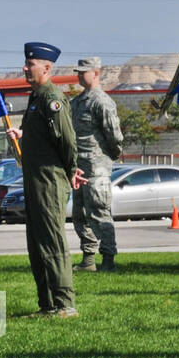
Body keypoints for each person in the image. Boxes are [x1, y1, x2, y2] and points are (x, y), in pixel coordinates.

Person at [6, 42, 86, 317]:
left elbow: (66, 139)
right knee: (37, 245)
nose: (25, 68)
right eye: (26, 63)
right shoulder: (36, 98)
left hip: (49, 182)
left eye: (31, 64)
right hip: (34, 179)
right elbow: (45, 137)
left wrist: (70, 169)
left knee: (52, 242)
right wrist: (23, 134)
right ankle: (48, 304)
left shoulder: (52, 98)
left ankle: (65, 304)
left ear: (47, 68)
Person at [67, 56, 123, 273]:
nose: (79, 75)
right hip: (79, 166)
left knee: (99, 211)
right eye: (78, 72)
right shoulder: (77, 102)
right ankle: (88, 259)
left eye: (83, 71)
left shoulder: (102, 101)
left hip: (97, 165)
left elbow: (114, 136)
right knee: (80, 214)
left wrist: (108, 156)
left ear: (96, 73)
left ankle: (108, 258)